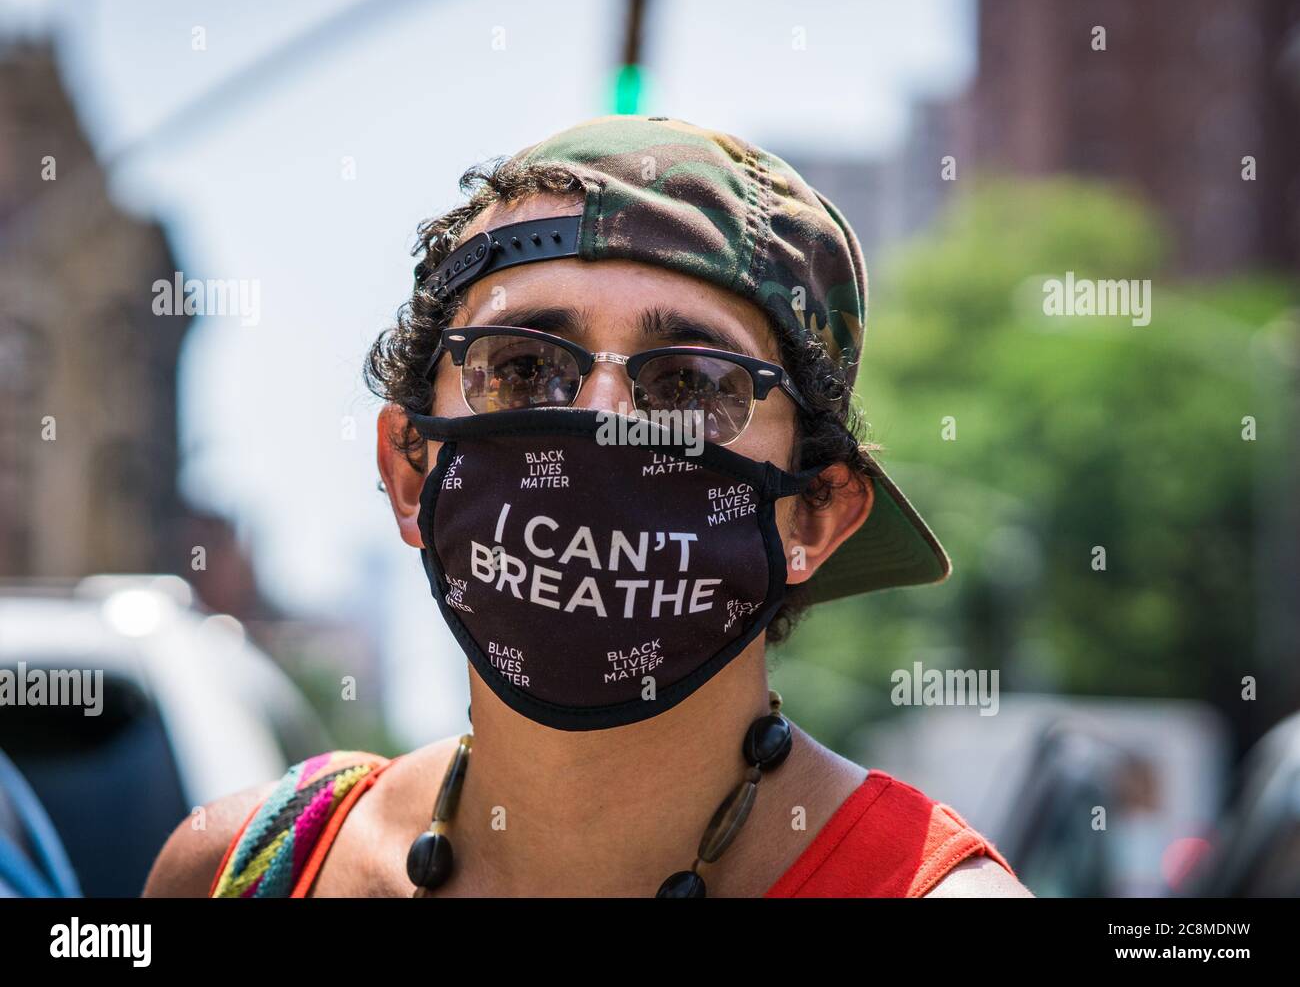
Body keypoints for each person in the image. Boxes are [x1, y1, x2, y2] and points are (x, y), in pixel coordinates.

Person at [144, 115, 1031, 899]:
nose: (599, 419)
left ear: (812, 517)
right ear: (410, 471)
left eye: (691, 382)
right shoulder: (245, 869)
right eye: (523, 366)